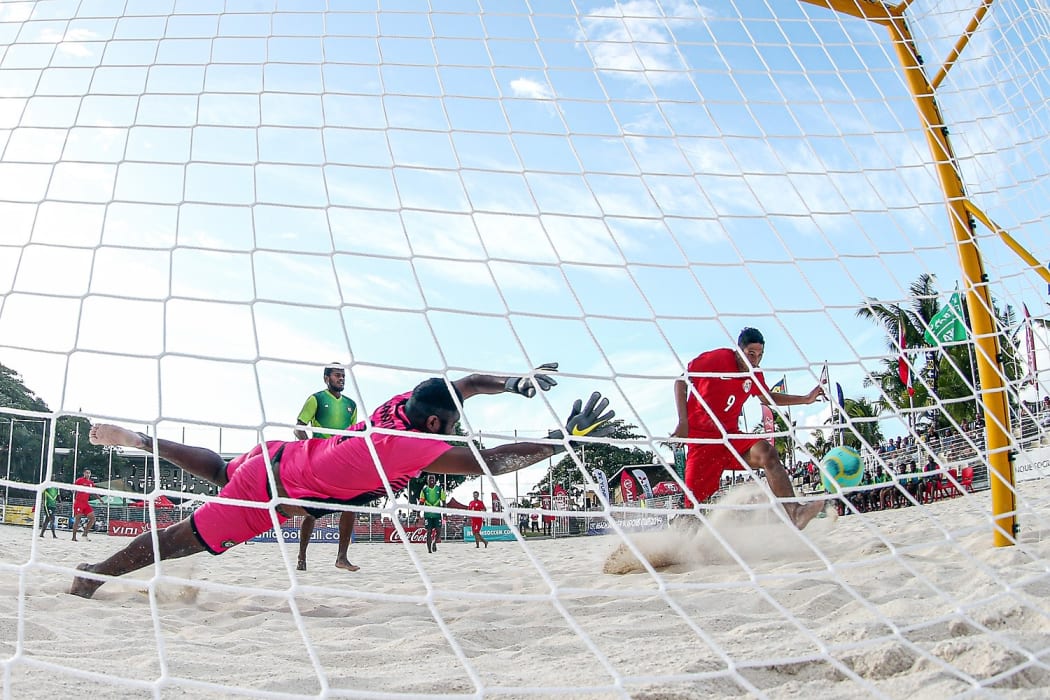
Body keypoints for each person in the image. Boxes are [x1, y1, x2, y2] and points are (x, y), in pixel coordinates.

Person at [71, 371, 610, 599]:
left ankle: (143, 439)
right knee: (182, 539)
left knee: (220, 468)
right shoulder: (411, 444)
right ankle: (94, 574)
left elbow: (463, 384)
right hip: (277, 494)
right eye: (453, 426)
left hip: (283, 456)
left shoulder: (401, 405)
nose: (457, 429)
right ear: (433, 427)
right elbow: (490, 463)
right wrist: (562, 441)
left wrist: (515, 384)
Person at [671, 327, 826, 530]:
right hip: (703, 441)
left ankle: (795, 512)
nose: (755, 360)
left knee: (767, 453)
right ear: (738, 350)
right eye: (751, 354)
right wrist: (683, 422)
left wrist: (806, 399)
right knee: (692, 512)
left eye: (760, 355)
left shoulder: (754, 374)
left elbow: (767, 397)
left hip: (730, 437)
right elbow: (680, 382)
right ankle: (675, 546)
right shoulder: (715, 359)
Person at [292, 363, 359, 573]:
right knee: (311, 511)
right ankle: (302, 556)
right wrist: (308, 448)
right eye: (337, 375)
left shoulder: (351, 404)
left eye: (343, 376)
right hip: (320, 459)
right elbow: (299, 427)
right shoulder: (316, 399)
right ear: (326, 378)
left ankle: (342, 557)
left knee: (351, 505)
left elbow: (354, 434)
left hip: (344, 460)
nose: (341, 379)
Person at [419, 474, 446, 553]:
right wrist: (418, 514)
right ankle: (429, 550)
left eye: (433, 478)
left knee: (438, 531)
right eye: (430, 478)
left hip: (437, 514)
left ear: (435, 480)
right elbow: (421, 502)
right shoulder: (424, 490)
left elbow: (444, 501)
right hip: (427, 514)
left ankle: (434, 542)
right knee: (429, 531)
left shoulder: (439, 489)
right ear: (427, 480)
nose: (431, 479)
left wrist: (445, 513)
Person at [71, 469, 96, 542]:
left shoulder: (91, 483)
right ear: (84, 473)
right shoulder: (79, 480)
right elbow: (73, 487)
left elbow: (94, 492)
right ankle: (74, 537)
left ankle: (85, 533)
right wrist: (73, 490)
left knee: (92, 518)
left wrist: (100, 499)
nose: (88, 474)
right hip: (79, 502)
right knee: (77, 519)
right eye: (86, 473)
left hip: (85, 503)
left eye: (89, 473)